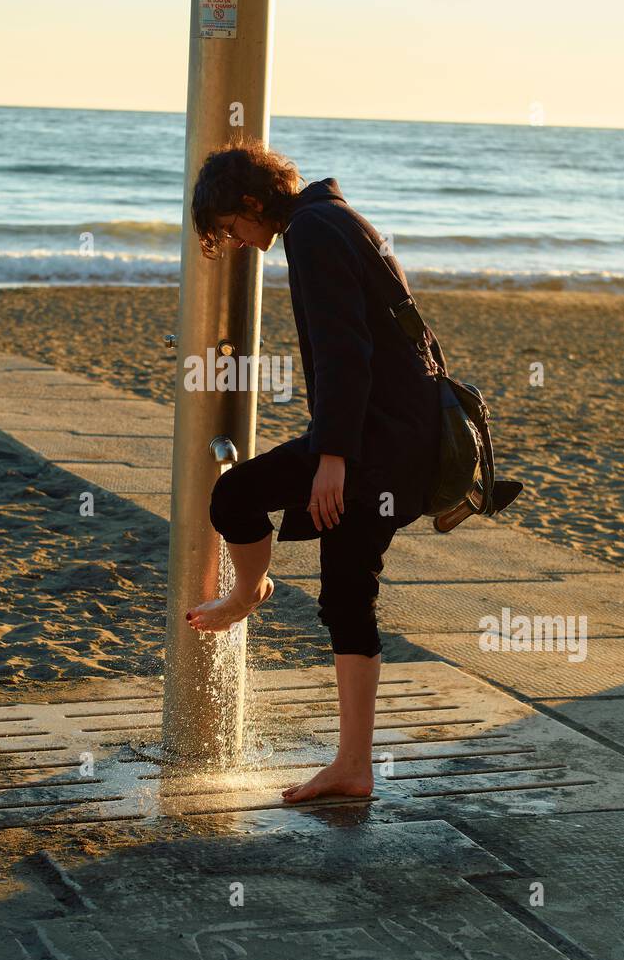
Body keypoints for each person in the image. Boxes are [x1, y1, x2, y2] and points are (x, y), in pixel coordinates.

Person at [184, 140, 443, 803]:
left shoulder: (312, 231)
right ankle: (352, 765)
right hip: (392, 433)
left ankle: (248, 596)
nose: (236, 242)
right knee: (345, 589)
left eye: (229, 227)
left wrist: (331, 460)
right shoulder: (335, 217)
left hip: (374, 441)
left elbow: (343, 354)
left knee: (240, 497)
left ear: (250, 201)